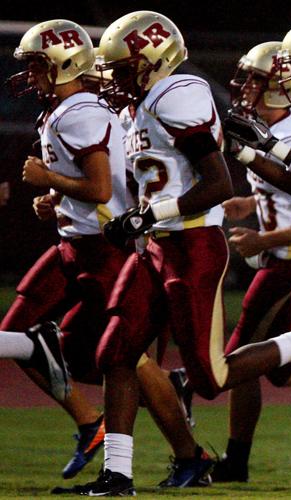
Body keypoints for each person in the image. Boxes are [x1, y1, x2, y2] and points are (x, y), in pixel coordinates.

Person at [79, 11, 291, 495]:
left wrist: (151, 215)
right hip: (156, 247)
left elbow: (216, 183)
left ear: (154, 63)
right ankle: (118, 474)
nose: (118, 80)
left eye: (126, 69)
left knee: (212, 378)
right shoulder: (137, 107)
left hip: (193, 247)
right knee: (115, 353)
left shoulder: (179, 94)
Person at [1, 19, 202, 486]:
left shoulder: (81, 112)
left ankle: (188, 454)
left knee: (127, 357)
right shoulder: (67, 109)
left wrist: (51, 182)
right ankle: (93, 421)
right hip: (76, 243)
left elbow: (97, 185)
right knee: (25, 332)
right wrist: (57, 200)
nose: (31, 76)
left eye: (37, 66)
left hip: (104, 247)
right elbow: (97, 185)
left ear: (64, 63)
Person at [207, 40, 291, 483]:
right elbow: (284, 195)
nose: (243, 86)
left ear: (280, 86)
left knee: (236, 360)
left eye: (255, 79)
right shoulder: (268, 128)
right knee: (274, 372)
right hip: (281, 257)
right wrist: (247, 204)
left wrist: (264, 238)